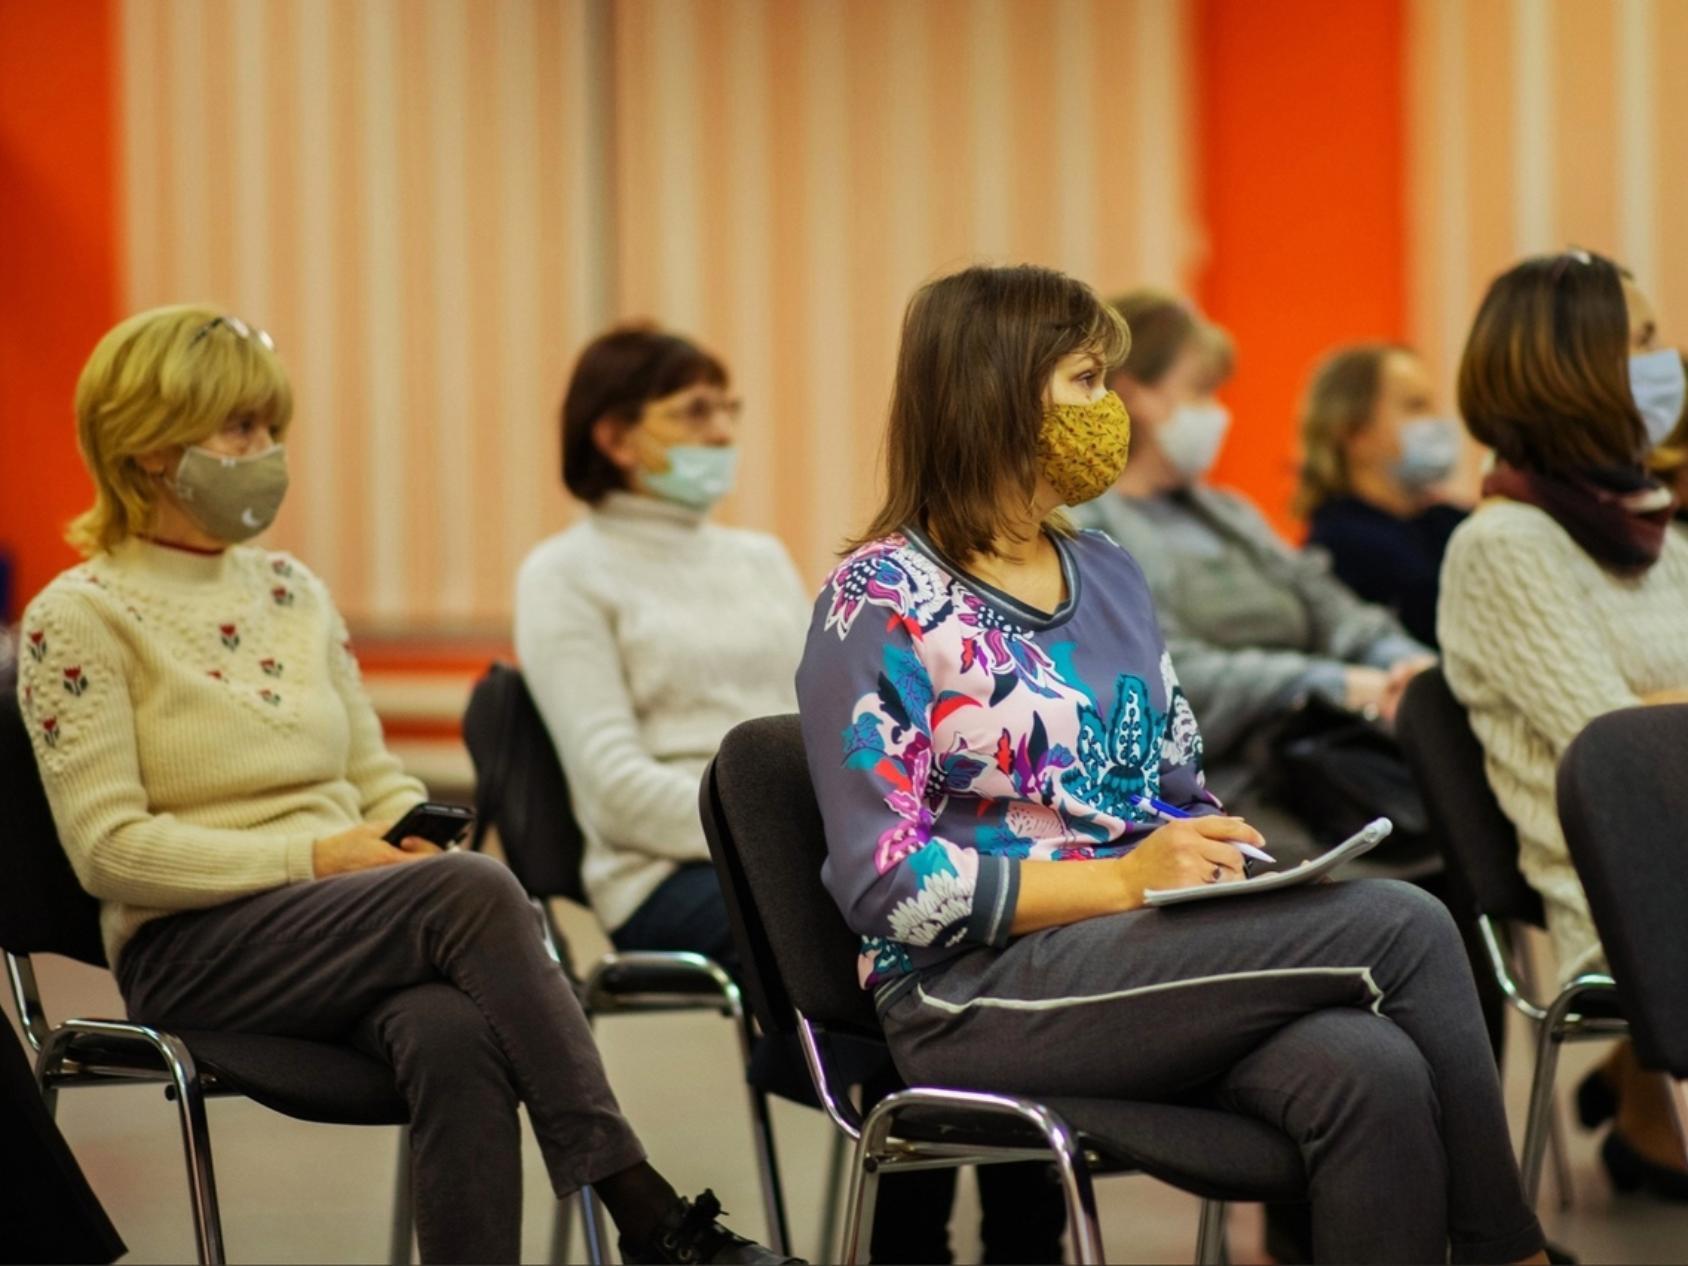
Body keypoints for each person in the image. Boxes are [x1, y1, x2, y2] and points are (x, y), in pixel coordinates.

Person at [796, 263, 1548, 1265]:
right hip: (967, 993)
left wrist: (1210, 856)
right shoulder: (876, 597)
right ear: (997, 392)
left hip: (1138, 953)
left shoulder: (1104, 565)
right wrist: (1117, 880)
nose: (1112, 411)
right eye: (1085, 383)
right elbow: (883, 882)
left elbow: (1174, 784)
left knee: (1370, 1071)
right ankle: (1509, 1251)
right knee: (1403, 923)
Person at [15, 306, 793, 1266]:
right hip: (192, 946)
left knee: (452, 1030)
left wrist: (399, 832)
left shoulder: (293, 591)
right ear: (145, 449)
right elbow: (108, 851)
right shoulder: (78, 616)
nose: (267, 453)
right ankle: (645, 1210)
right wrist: (320, 854)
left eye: (273, 429)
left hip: (340, 924)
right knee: (469, 894)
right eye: (239, 431)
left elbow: (374, 777)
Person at [516, 322, 1066, 1264]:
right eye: (694, 413)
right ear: (613, 436)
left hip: (819, 849)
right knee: (896, 940)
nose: (722, 431)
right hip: (669, 875)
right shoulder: (565, 575)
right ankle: (912, 1249)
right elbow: (612, 794)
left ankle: (1025, 1240)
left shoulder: (759, 557)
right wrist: (785, 838)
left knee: (982, 922)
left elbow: (841, 728)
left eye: (728, 410)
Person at [1439, 251, 1688, 1200]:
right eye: (1645, 341)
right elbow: (1621, 745)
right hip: (1624, 888)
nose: (1668, 362)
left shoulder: (1652, 531)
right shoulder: (1502, 546)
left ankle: (1641, 1119)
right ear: (1573, 367)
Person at [1069, 291, 1432, 827]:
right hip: (1225, 791)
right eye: (1199, 391)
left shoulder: (1228, 511)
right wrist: (1331, 684)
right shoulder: (1089, 526)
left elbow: (1335, 611)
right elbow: (1168, 677)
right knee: (1411, 894)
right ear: (1134, 394)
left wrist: (1408, 666)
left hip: (1327, 760)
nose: (1217, 412)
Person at [1296, 344, 1468, 647]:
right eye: (1416, 406)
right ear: (1353, 433)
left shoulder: (1446, 520)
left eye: (1432, 405)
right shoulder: (1338, 548)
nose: (1436, 421)